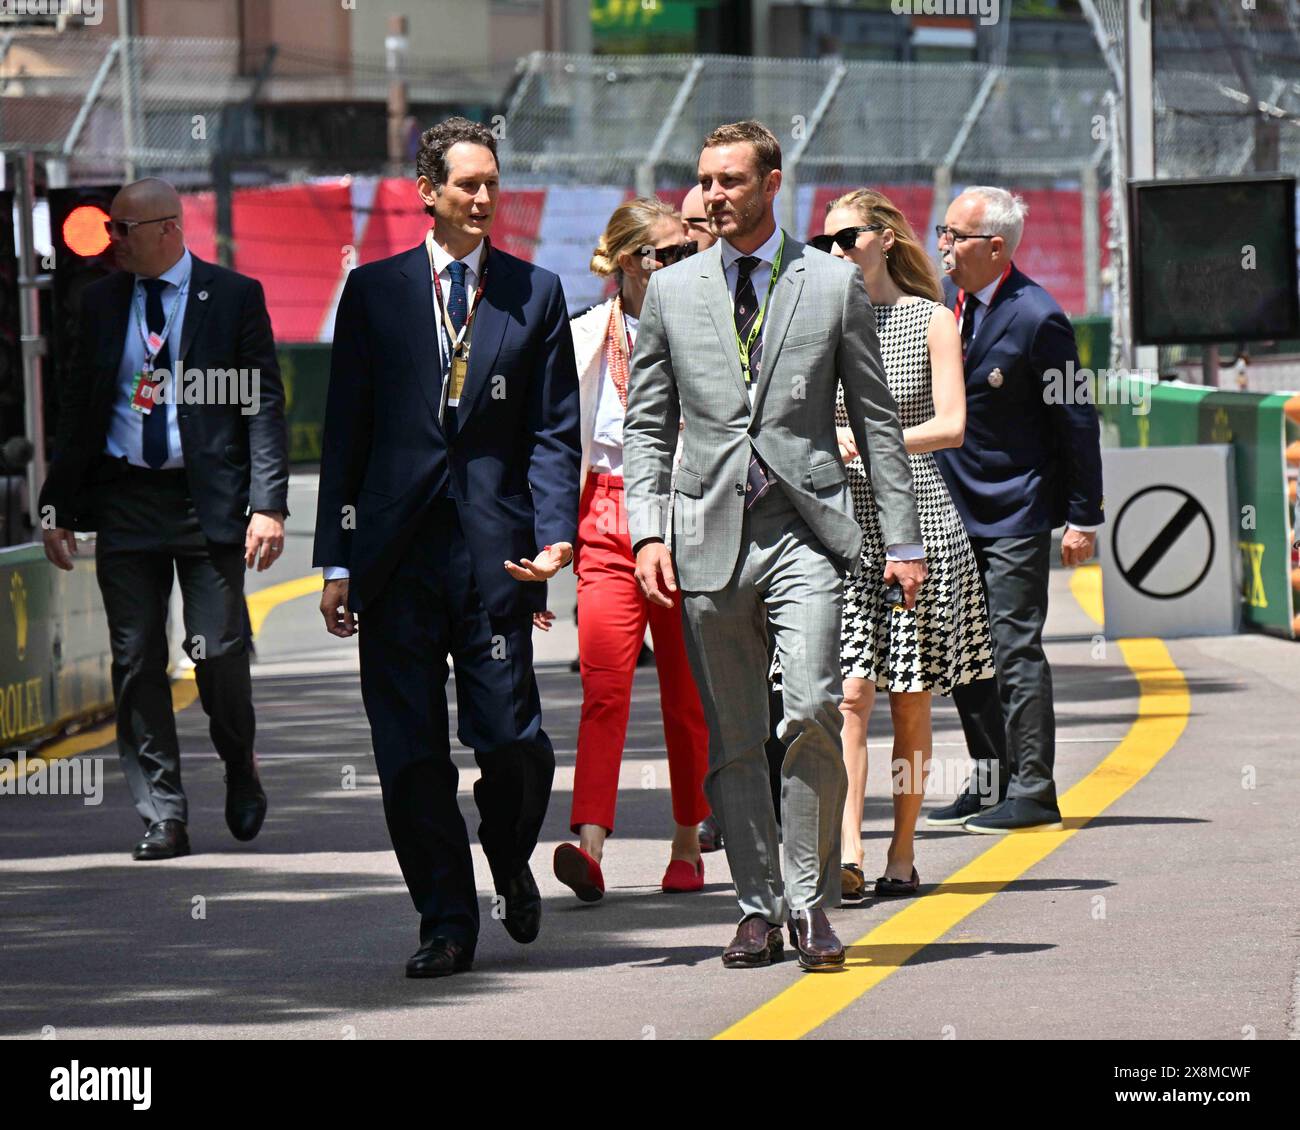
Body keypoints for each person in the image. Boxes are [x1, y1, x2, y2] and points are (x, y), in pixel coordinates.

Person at [623, 121, 925, 972]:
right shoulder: (674, 292)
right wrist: (648, 528)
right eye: (705, 181)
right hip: (707, 533)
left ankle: (812, 904)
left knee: (813, 709)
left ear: (770, 183)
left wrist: (901, 539)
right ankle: (755, 907)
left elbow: (877, 421)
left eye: (729, 181)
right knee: (736, 732)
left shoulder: (830, 284)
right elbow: (649, 426)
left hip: (807, 530)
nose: (713, 195)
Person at [313, 117, 581, 978]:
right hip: (392, 559)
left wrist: (554, 539)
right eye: (467, 184)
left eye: (493, 183)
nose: (483, 198)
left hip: (494, 556)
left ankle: (506, 852)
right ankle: (446, 922)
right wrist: (338, 561)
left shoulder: (534, 293)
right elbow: (345, 432)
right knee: (410, 752)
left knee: (511, 742)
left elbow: (552, 434)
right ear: (426, 192)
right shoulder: (375, 291)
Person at [39, 178, 288, 861]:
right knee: (137, 659)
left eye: (123, 229)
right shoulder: (98, 303)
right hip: (125, 501)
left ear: (168, 228)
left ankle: (240, 762)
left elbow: (262, 408)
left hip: (203, 503)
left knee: (218, 657)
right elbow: (76, 411)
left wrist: (267, 505)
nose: (111, 241)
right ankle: (163, 813)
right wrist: (57, 502)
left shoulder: (233, 297)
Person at [800, 189, 994, 900]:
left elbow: (951, 426)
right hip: (844, 523)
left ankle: (903, 850)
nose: (836, 250)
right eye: (826, 241)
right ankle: (848, 847)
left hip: (920, 517)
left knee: (911, 696)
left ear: (884, 238)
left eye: (847, 237)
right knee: (850, 693)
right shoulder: (821, 321)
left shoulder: (931, 319)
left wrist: (872, 445)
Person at [929, 186, 1104, 834]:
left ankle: (1034, 788)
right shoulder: (953, 308)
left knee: (1014, 647)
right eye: (943, 232)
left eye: (955, 235)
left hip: (1015, 513)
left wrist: (1084, 516)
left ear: (994, 247)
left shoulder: (1039, 317)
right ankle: (990, 777)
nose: (942, 245)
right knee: (965, 652)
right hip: (955, 508)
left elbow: (1076, 420)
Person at [552, 197, 710, 902]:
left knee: (684, 693)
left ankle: (687, 841)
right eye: (666, 254)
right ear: (626, 262)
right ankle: (588, 841)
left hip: (687, 517)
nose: (683, 264)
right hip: (605, 512)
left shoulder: (709, 328)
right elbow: (555, 448)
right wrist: (550, 539)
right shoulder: (587, 334)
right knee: (604, 685)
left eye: (688, 252)